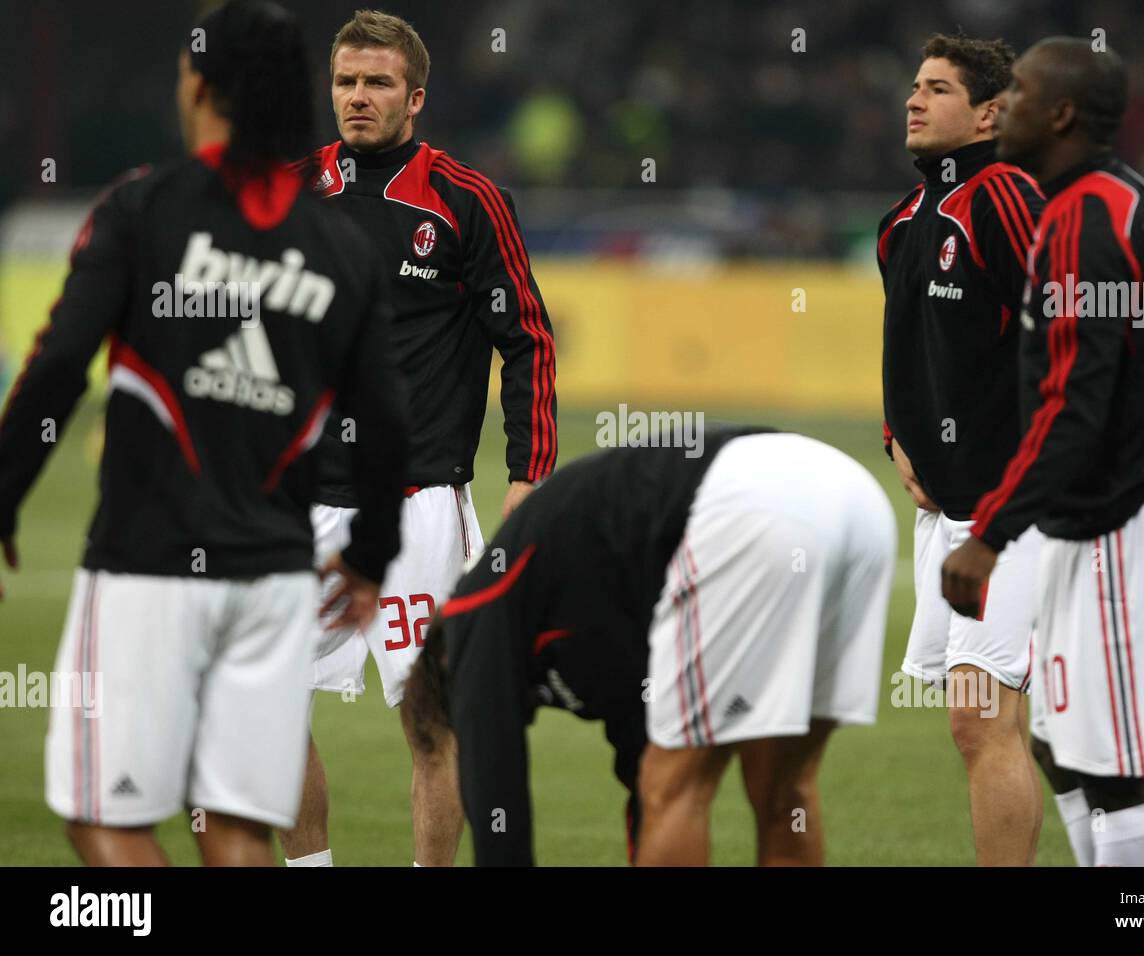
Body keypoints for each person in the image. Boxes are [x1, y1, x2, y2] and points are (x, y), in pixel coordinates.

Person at [0, 0, 407, 866]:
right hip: (273, 579)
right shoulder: (338, 246)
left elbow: (56, 370)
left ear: (198, 85)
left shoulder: (144, 210)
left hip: (148, 564)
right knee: (237, 826)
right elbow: (386, 417)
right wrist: (371, 555)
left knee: (102, 814)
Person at [279, 10, 558, 868]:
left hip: (420, 506)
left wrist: (528, 472)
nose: (358, 99)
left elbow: (529, 340)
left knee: (431, 720)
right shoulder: (287, 194)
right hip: (300, 506)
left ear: (416, 97)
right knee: (261, 710)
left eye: (378, 84)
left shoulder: (466, 201)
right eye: (345, 83)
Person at [942, 38, 1144, 867]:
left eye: (1019, 92)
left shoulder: (1085, 218)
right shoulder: (1123, 198)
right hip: (1099, 513)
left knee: (1115, 769)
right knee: (1066, 752)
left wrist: (990, 531)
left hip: (1127, 516)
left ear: (1060, 114)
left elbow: (1074, 404)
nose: (1004, 106)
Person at [403, 428, 895, 865]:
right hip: (854, 500)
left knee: (675, 786)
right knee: (784, 793)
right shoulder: (586, 609)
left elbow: (497, 795)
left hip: (751, 508)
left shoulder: (476, 611)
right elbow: (636, 743)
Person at [878, 33, 1045, 866]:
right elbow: (908, 350)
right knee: (1009, 724)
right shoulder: (901, 223)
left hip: (1010, 513)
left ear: (987, 113)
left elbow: (1068, 333)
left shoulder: (1006, 195)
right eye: (914, 84)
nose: (914, 99)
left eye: (937, 88)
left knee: (983, 720)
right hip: (950, 514)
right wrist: (895, 437)